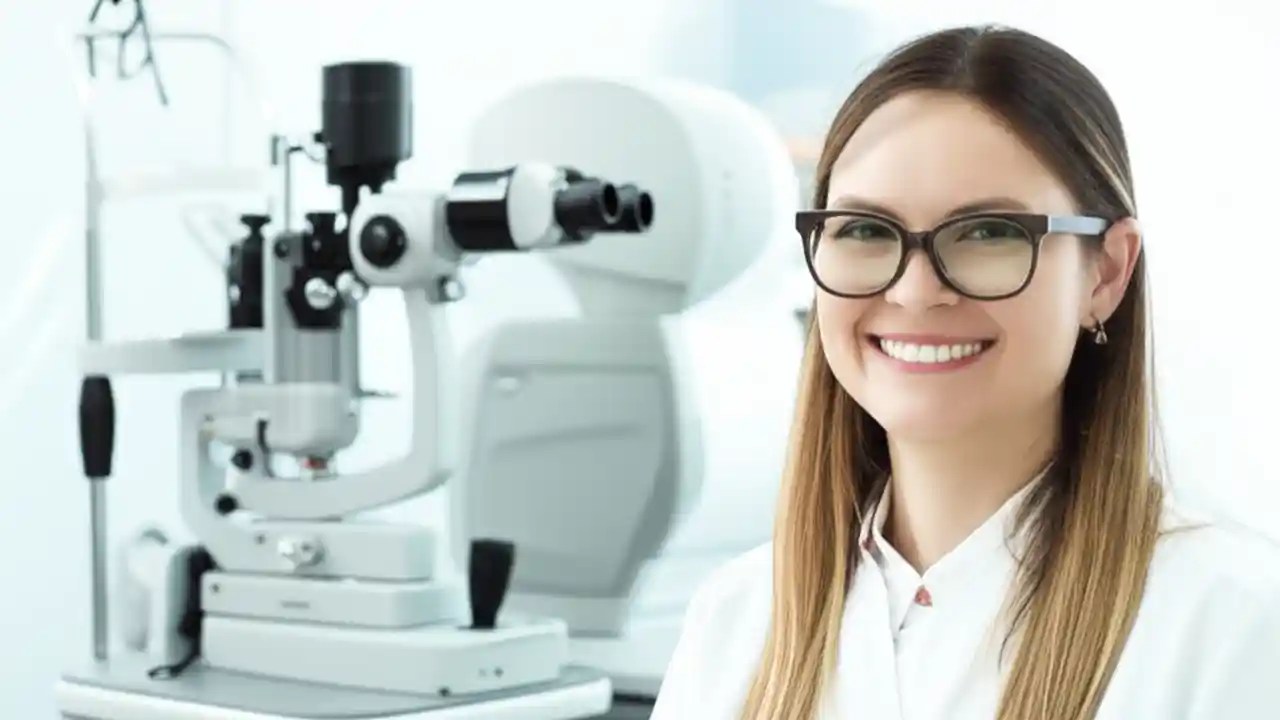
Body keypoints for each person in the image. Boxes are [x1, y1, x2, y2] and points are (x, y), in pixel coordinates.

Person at [649, 23, 1280, 720]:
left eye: (989, 233)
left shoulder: (1237, 626)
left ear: (1105, 273)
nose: (917, 292)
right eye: (864, 229)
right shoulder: (735, 621)